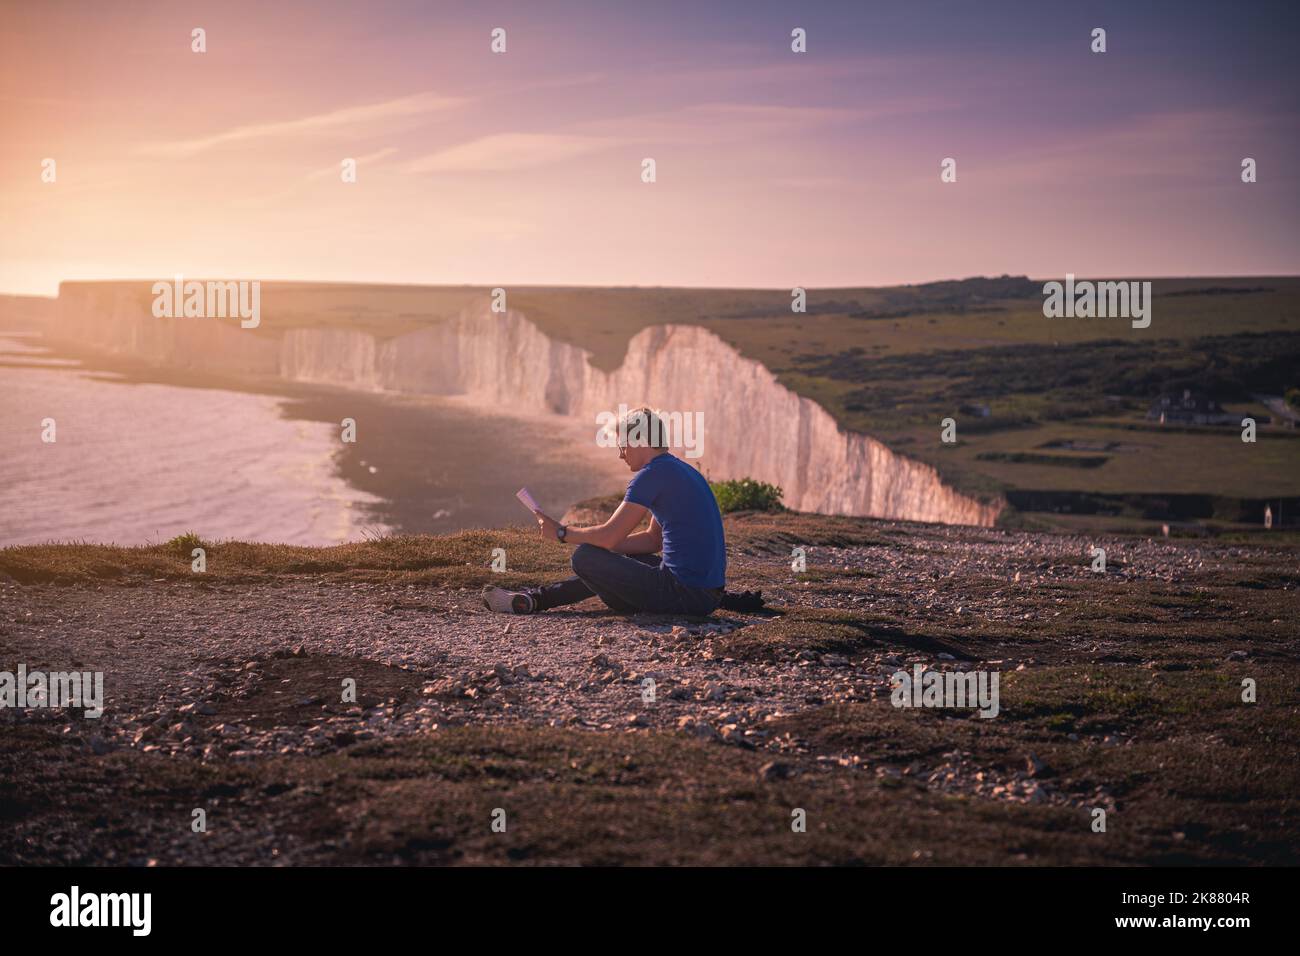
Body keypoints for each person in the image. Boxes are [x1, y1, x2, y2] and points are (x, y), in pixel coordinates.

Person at [482, 406, 726, 616]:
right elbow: (653, 540)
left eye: (622, 446)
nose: (620, 454)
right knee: (608, 556)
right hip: (706, 595)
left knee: (585, 558)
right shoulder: (679, 470)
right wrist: (608, 549)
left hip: (682, 594)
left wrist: (561, 533)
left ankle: (537, 599)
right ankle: (535, 599)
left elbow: (610, 535)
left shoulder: (651, 475)